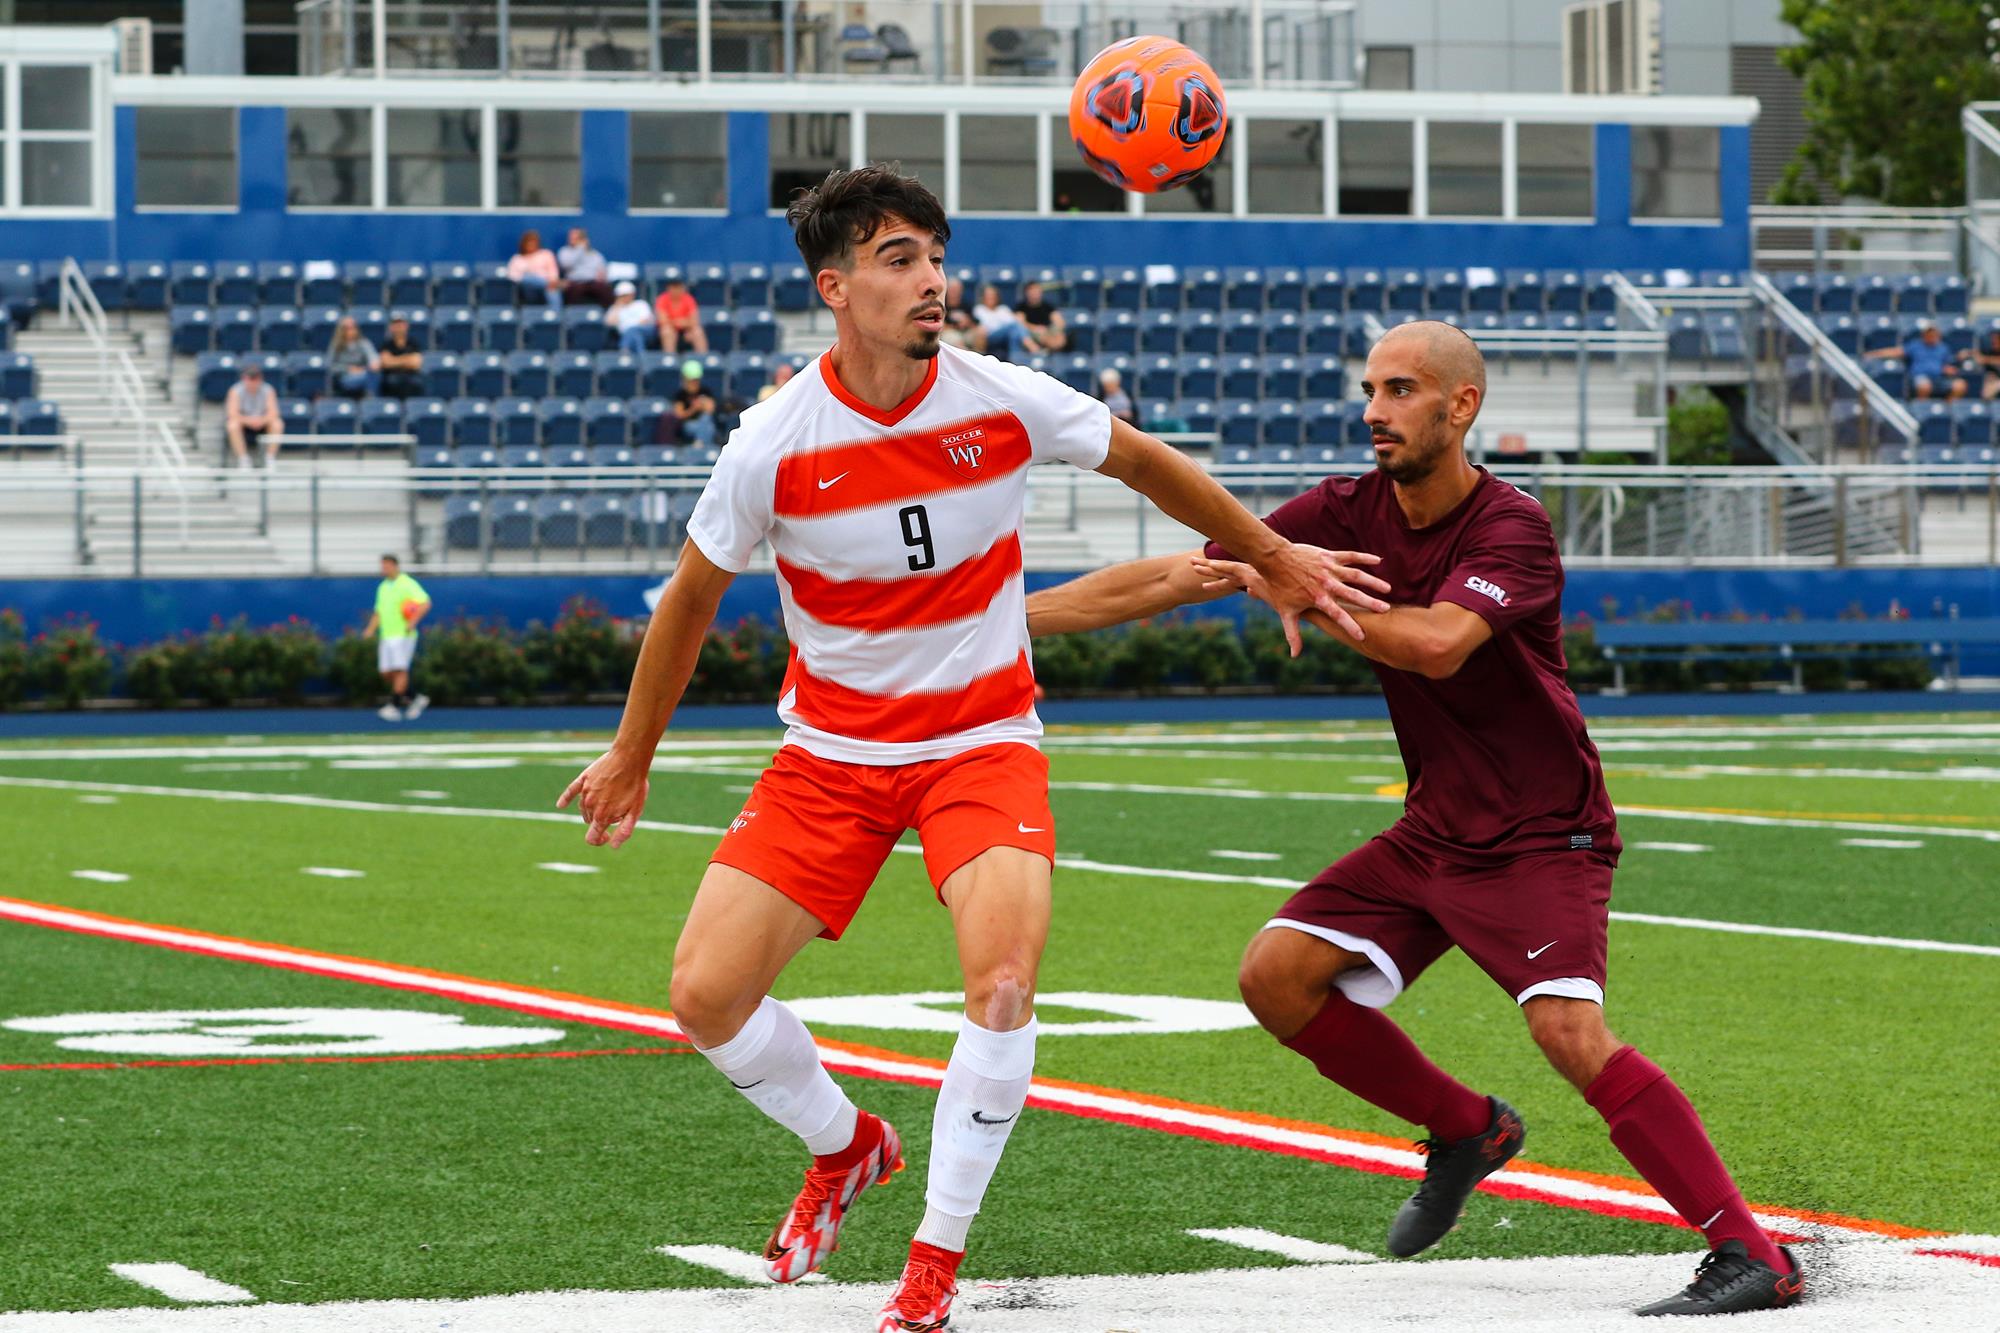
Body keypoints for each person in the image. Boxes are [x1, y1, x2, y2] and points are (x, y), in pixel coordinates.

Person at [553, 163, 1361, 1333]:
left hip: (981, 743)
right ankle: (845, 1146)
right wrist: (633, 753)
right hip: (828, 752)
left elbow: (1145, 462)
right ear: (835, 287)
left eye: (935, 256)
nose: (931, 280)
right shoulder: (770, 443)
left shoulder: (1002, 397)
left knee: (1003, 979)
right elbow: (686, 602)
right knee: (704, 995)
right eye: (898, 260)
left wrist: (1267, 549)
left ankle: (932, 1260)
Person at [1022, 320, 1806, 1320]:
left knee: (1565, 1028)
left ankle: (1750, 1252)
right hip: (1434, 827)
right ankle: (1466, 1129)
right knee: (1274, 975)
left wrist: (1295, 582)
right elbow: (1180, 575)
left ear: (1458, 406)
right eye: (1368, 389)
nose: (1371, 411)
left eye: (1397, 391)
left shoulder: (1509, 525)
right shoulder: (1338, 509)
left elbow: (1437, 644)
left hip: (1537, 827)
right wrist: (1003, 613)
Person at [363, 554, 430, 722]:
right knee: (386, 672)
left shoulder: (407, 583)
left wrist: (413, 622)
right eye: (382, 566)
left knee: (400, 669)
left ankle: (393, 706)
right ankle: (415, 697)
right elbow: (379, 611)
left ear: (395, 566)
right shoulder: (383, 587)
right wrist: (370, 629)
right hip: (387, 635)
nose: (383, 569)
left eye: (386, 566)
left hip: (403, 635)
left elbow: (425, 602)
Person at [1865, 319, 1966, 399]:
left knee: (1960, 385)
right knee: (1924, 386)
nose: (1932, 335)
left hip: (1939, 379)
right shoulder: (1915, 345)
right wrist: (1874, 354)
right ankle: (1922, 409)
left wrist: (1948, 368)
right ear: (1924, 334)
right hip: (1920, 378)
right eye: (1929, 333)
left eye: (1934, 333)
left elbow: (1947, 363)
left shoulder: (1943, 348)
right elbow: (1896, 352)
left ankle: (1946, 411)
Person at [222, 362, 282, 468]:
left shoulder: (268, 390)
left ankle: (269, 458)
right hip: (244, 423)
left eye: (255, 379)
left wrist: (261, 420)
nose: (253, 383)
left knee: (277, 424)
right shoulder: (235, 390)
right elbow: (232, 413)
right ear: (244, 378)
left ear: (260, 379)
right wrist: (250, 421)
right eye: (250, 379)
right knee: (232, 425)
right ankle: (243, 459)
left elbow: (274, 412)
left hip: (262, 423)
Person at [971, 284, 1036, 361]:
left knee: (1014, 332)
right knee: (1014, 326)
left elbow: (1017, 323)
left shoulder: (1003, 309)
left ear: (997, 297)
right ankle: (1033, 349)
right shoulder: (979, 309)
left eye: (993, 295)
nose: (991, 297)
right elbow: (977, 326)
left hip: (1005, 336)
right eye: (988, 295)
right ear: (983, 297)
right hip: (989, 337)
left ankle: (1016, 360)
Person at [558, 226, 615, 307]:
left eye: (576, 238)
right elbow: (566, 265)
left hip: (592, 282)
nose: (571, 239)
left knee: (605, 289)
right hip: (575, 282)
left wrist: (602, 276)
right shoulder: (565, 251)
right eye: (571, 237)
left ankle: (607, 314)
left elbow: (602, 268)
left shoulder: (594, 254)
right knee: (575, 290)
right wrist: (580, 249)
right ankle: (572, 315)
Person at [653, 276, 709, 355]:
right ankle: (670, 359)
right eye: (674, 287)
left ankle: (703, 358)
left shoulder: (689, 299)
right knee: (667, 331)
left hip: (686, 331)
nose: (676, 290)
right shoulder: (662, 299)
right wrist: (681, 322)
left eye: (678, 287)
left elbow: (694, 321)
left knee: (697, 331)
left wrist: (679, 323)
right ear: (668, 288)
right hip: (669, 330)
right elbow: (663, 321)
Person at [508, 230, 563, 309]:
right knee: (527, 276)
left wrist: (551, 282)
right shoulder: (517, 259)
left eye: (533, 242)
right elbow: (512, 276)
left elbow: (553, 273)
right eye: (528, 243)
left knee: (552, 289)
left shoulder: (546, 254)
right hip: (527, 290)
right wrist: (531, 277)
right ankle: (546, 284)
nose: (531, 245)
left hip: (546, 288)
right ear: (523, 244)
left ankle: (556, 316)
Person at [328, 316, 378, 399]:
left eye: (353, 327)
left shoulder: (364, 343)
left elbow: (373, 359)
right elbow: (330, 366)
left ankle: (371, 400)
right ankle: (371, 399)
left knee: (374, 374)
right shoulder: (336, 345)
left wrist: (371, 365)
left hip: (363, 373)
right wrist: (348, 369)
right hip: (344, 377)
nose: (351, 331)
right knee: (369, 377)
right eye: (347, 328)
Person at [672, 359, 718, 446]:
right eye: (691, 381)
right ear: (685, 380)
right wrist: (694, 408)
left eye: (696, 380)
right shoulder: (680, 395)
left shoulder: (705, 391)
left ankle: (699, 444)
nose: (694, 383)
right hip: (688, 425)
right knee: (709, 428)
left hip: (704, 423)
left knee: (707, 422)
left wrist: (704, 406)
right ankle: (703, 448)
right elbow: (679, 415)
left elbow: (711, 410)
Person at [377, 316, 424, 400]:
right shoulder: (386, 344)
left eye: (401, 324)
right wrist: (407, 359)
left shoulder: (413, 343)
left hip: (411, 376)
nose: (399, 327)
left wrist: (394, 360)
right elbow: (386, 363)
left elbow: (416, 363)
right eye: (396, 324)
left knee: (416, 382)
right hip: (391, 378)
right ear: (391, 327)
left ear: (406, 326)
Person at [1015, 279, 1067, 352]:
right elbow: (1020, 323)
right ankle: (1044, 352)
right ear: (1026, 292)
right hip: (1032, 333)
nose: (1035, 293)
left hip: (1048, 331)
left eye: (1037, 290)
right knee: (1042, 336)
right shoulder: (1021, 307)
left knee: (1060, 337)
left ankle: (1050, 351)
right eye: (1032, 290)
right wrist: (1035, 328)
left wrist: (1053, 330)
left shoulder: (1048, 306)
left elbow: (1060, 322)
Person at [606, 280, 656, 353]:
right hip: (627, 335)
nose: (624, 297)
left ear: (632, 294)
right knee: (636, 337)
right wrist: (617, 307)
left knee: (633, 331)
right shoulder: (615, 308)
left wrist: (631, 328)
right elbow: (609, 323)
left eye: (626, 295)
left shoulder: (640, 304)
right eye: (621, 296)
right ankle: (641, 356)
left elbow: (645, 321)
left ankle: (624, 351)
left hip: (644, 332)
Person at [941, 276, 979, 350]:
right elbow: (941, 324)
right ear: (947, 289)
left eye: (957, 289)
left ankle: (980, 358)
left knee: (980, 333)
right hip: (948, 331)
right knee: (957, 339)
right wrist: (954, 326)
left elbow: (974, 321)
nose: (955, 292)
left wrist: (967, 322)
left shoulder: (966, 304)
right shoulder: (942, 304)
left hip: (966, 330)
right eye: (952, 289)